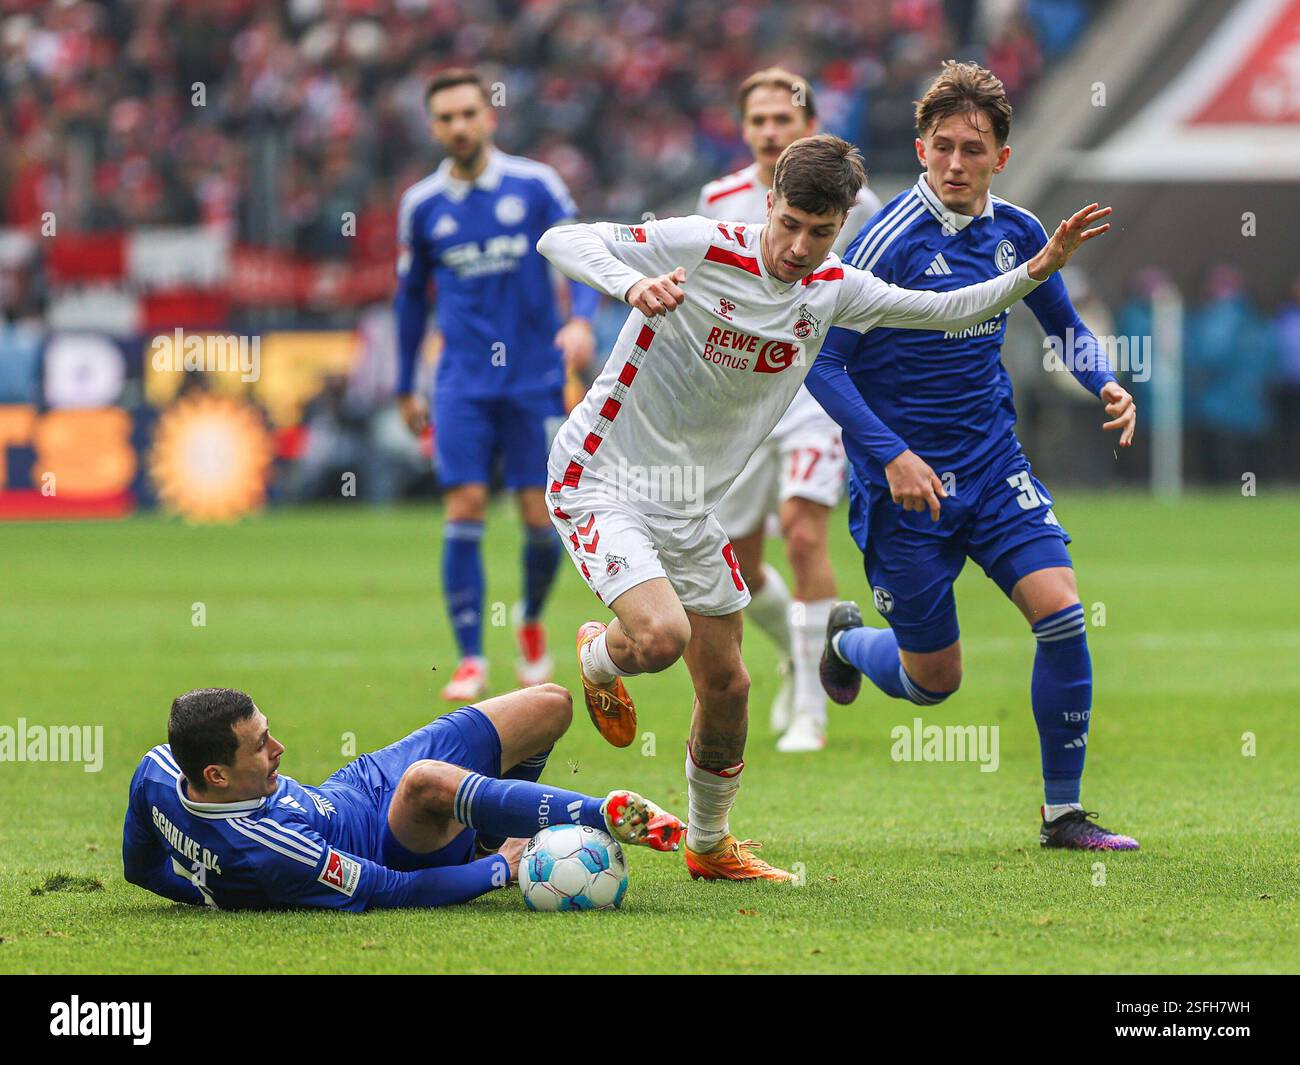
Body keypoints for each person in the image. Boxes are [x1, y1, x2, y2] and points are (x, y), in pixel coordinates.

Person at [536, 132, 1109, 879]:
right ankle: (596, 654)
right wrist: (629, 285)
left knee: (731, 685)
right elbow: (561, 237)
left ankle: (708, 846)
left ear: (839, 225)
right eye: (791, 224)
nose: (800, 245)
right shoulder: (703, 245)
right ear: (768, 203)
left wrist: (1037, 270)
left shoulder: (834, 288)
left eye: (820, 230)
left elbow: (944, 308)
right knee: (662, 638)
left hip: (687, 507)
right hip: (601, 476)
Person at [805, 61, 1139, 850]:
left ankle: (1064, 815)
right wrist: (890, 456)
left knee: (1061, 613)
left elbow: (1063, 325)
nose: (957, 163)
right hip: (906, 489)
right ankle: (848, 640)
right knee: (935, 682)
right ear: (921, 149)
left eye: (974, 149)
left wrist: (1104, 381)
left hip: (993, 469)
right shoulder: (882, 245)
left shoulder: (1021, 233)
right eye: (943, 146)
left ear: (1001, 158)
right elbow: (824, 363)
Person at [394, 68, 599, 700]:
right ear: (434, 127)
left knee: (540, 514)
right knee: (463, 506)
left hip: (535, 377)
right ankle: (470, 657)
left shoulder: (535, 186)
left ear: (490, 117)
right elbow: (408, 300)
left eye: (467, 113)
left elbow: (583, 253)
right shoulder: (422, 205)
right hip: (461, 382)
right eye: (446, 117)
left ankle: (531, 623)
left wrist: (581, 323)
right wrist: (406, 383)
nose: (458, 126)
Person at [696, 68, 883, 754]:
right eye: (759, 121)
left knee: (805, 534)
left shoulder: (857, 203)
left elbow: (875, 294)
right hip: (740, 396)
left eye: (784, 119)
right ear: (744, 129)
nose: (771, 131)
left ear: (807, 127)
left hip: (815, 390)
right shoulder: (718, 197)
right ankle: (798, 652)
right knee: (738, 565)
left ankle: (811, 704)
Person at [123, 685, 684, 912]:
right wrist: (499, 870)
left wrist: (208, 895)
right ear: (217, 776)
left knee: (551, 707)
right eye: (260, 746)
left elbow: (140, 868)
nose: (279, 747)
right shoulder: (271, 850)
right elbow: (392, 889)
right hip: (397, 841)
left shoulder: (158, 768)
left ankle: (484, 825)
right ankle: (601, 812)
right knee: (423, 783)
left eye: (268, 730)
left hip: (358, 782)